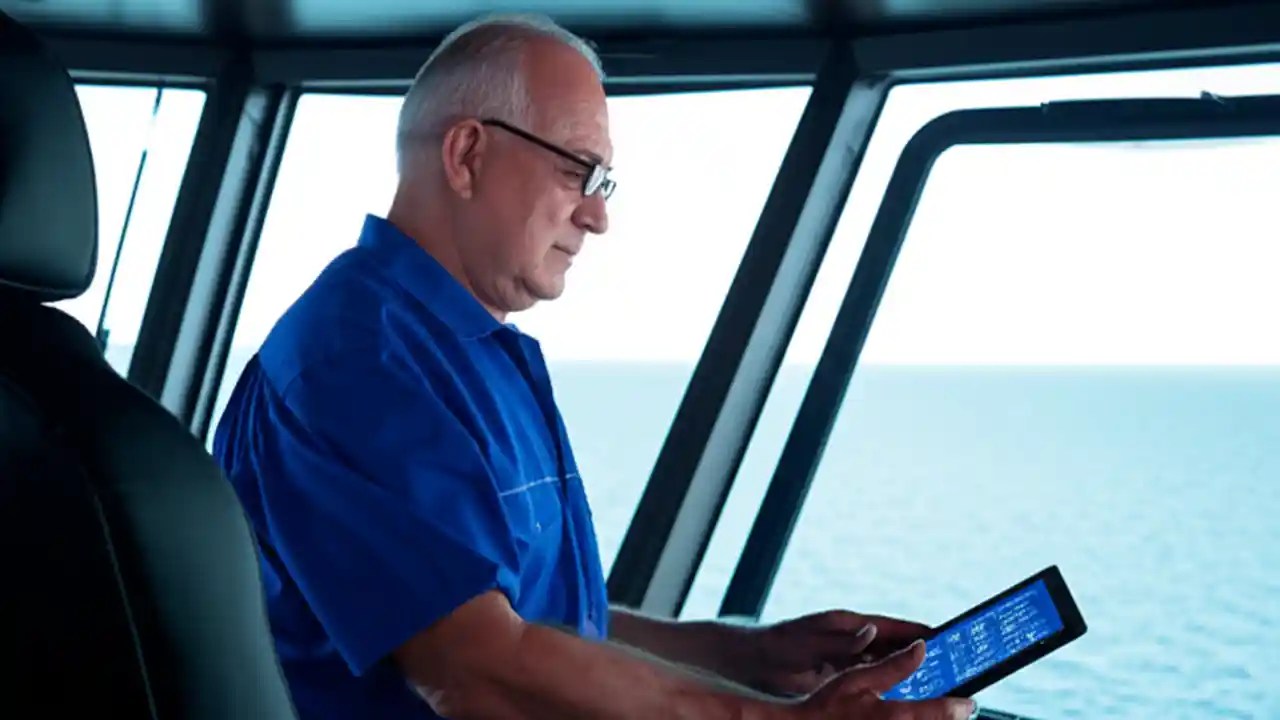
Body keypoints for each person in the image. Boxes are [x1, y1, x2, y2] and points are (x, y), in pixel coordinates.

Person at [212, 12, 977, 720]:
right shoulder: (354, 366)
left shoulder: (468, 351)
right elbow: (472, 668)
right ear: (468, 154)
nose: (598, 214)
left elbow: (541, 623)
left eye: (604, 182)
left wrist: (746, 657)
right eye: (579, 170)